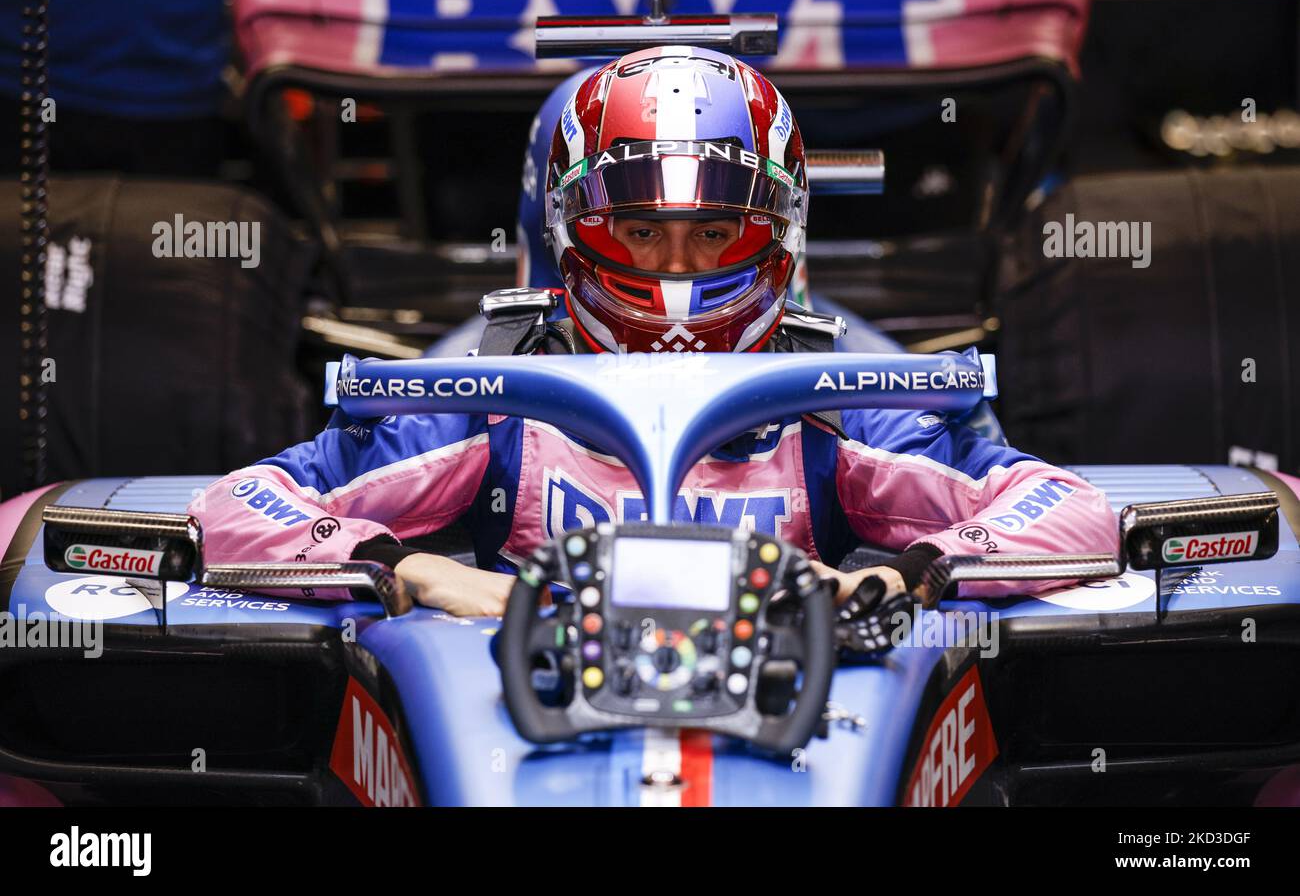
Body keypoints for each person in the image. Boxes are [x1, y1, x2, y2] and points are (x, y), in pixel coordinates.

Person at [189, 47, 1117, 617]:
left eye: (715, 230)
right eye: (640, 229)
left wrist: (909, 575)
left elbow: (1073, 513)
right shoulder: (492, 404)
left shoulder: (835, 406)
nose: (677, 267)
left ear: (778, 233)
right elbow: (234, 510)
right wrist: (407, 570)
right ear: (571, 234)